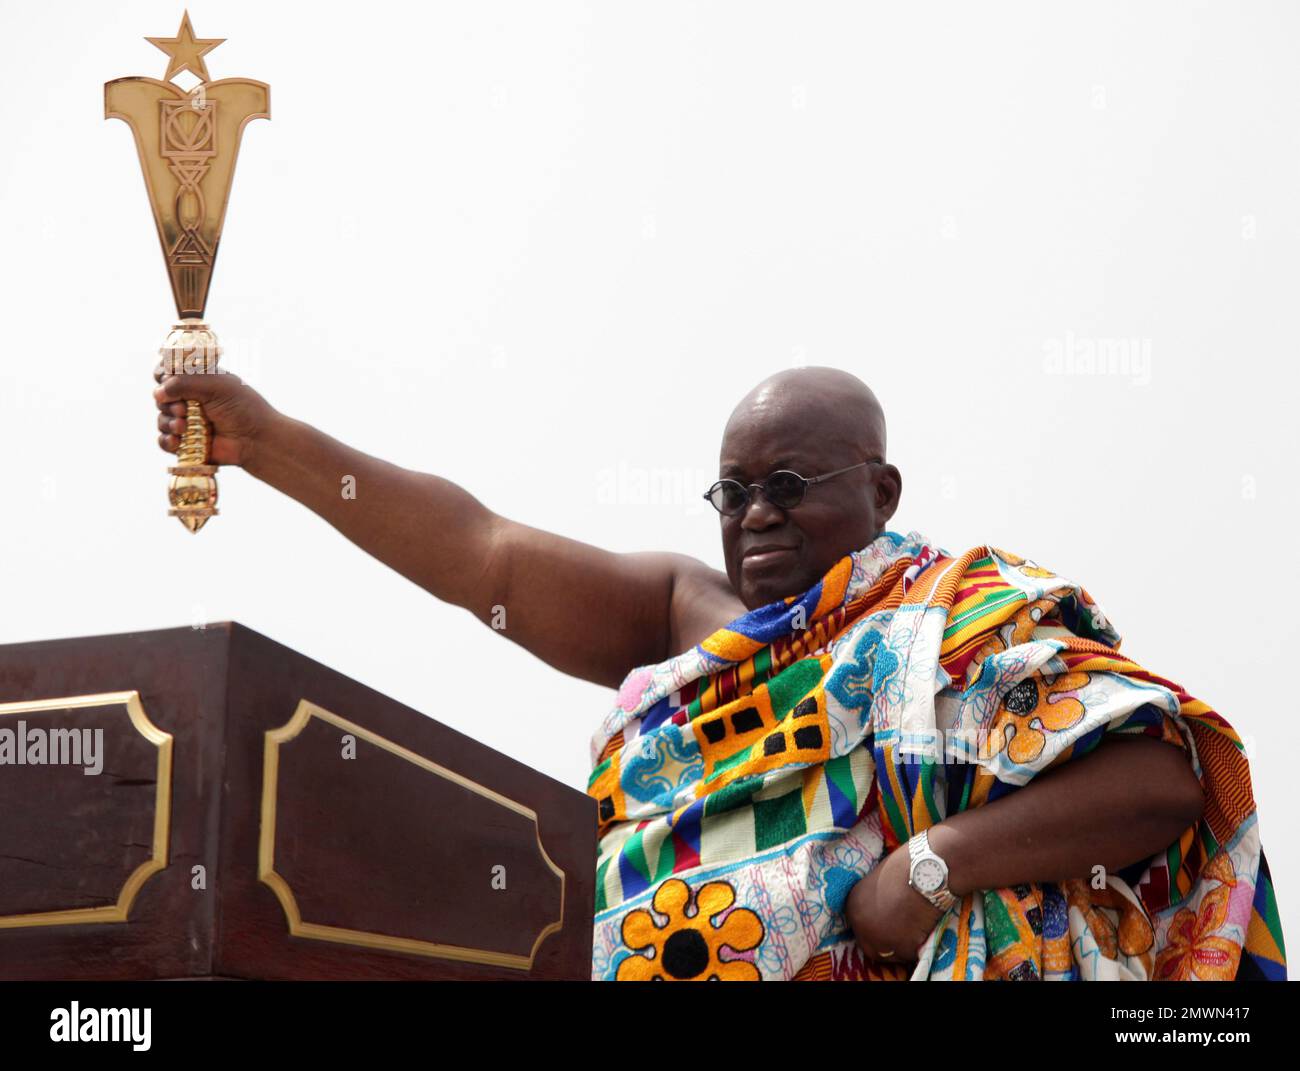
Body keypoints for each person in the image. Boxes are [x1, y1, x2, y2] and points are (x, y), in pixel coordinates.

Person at [153, 363, 1284, 981]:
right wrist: (270, 443)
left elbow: (1160, 779)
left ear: (880, 494)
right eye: (732, 492)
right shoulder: (687, 618)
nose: (756, 517)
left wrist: (930, 870)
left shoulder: (955, 614)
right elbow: (478, 553)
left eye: (788, 486)